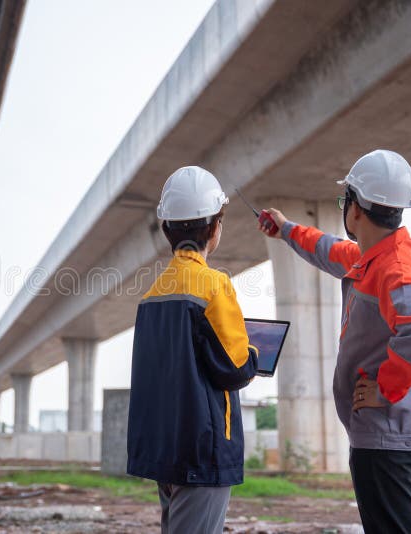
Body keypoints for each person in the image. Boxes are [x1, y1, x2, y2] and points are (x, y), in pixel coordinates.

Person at [258, 149, 411, 533]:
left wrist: (385, 389)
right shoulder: (374, 256)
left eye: (345, 200)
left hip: (386, 442)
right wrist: (287, 229)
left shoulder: (396, 270)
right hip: (387, 436)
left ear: (355, 208)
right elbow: (328, 249)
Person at [127, 166, 261, 534]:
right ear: (216, 227)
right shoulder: (214, 285)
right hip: (202, 450)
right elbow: (233, 367)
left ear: (166, 227)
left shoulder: (152, 293)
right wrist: (254, 354)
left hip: (164, 449)